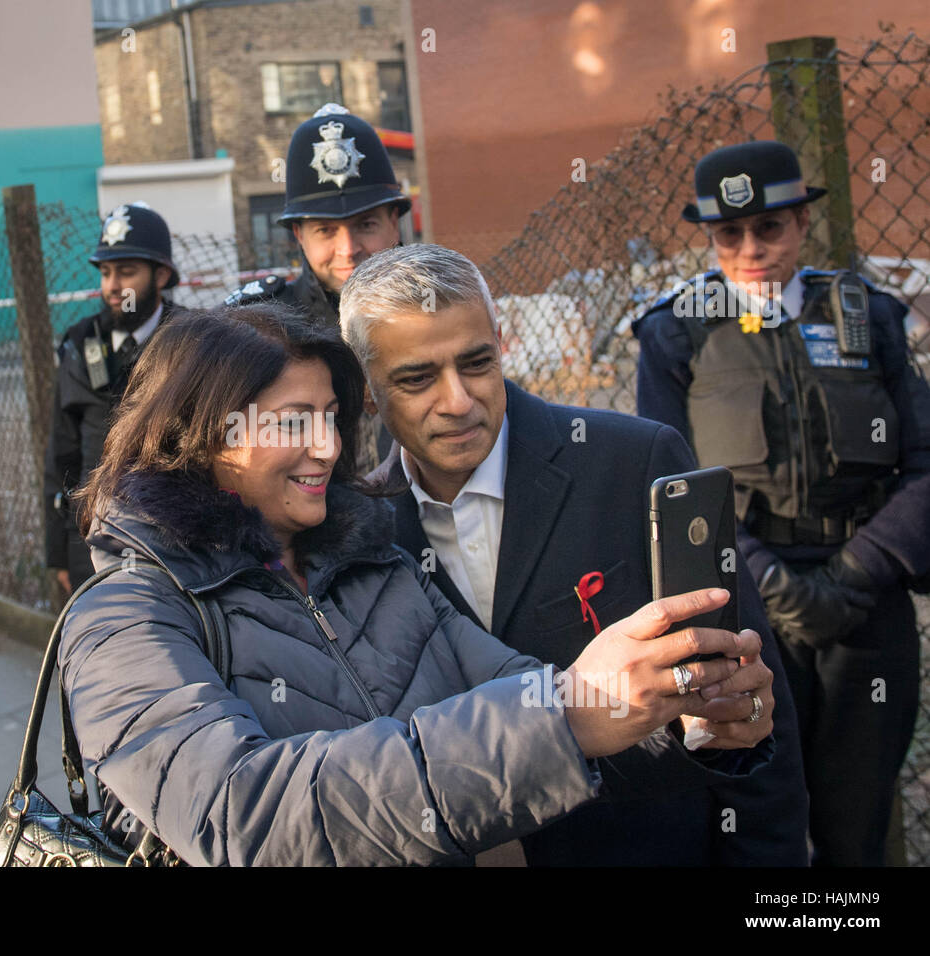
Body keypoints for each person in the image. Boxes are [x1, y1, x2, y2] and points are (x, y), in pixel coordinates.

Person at [57, 303, 775, 866]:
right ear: (203, 432)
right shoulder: (123, 617)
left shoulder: (373, 569)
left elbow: (534, 707)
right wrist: (566, 711)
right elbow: (240, 812)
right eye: (294, 422)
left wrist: (682, 718)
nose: (328, 448)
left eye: (333, 418)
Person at [343, 243, 806, 865]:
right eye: (417, 378)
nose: (457, 400)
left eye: (477, 363)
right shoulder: (356, 531)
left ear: (501, 343)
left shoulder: (634, 464)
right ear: (366, 389)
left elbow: (751, 706)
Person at [632, 140, 930, 866]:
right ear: (708, 237)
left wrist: (859, 571)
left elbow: (925, 463)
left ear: (801, 223)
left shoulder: (869, 317)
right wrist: (764, 582)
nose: (750, 248)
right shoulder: (675, 331)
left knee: (856, 825)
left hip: (865, 600)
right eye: (728, 233)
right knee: (754, 817)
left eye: (770, 227)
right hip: (744, 611)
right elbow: (669, 484)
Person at [227, 102, 411, 472]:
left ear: (394, 221)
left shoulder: (436, 310)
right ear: (299, 235)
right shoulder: (259, 325)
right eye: (326, 231)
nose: (348, 249)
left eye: (366, 225)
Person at [43, 201, 182, 599]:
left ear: (161, 274)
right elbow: (61, 456)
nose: (112, 286)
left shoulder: (191, 342)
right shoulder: (79, 343)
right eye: (106, 272)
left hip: (171, 541)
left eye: (126, 271)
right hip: (91, 540)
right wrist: (61, 554)